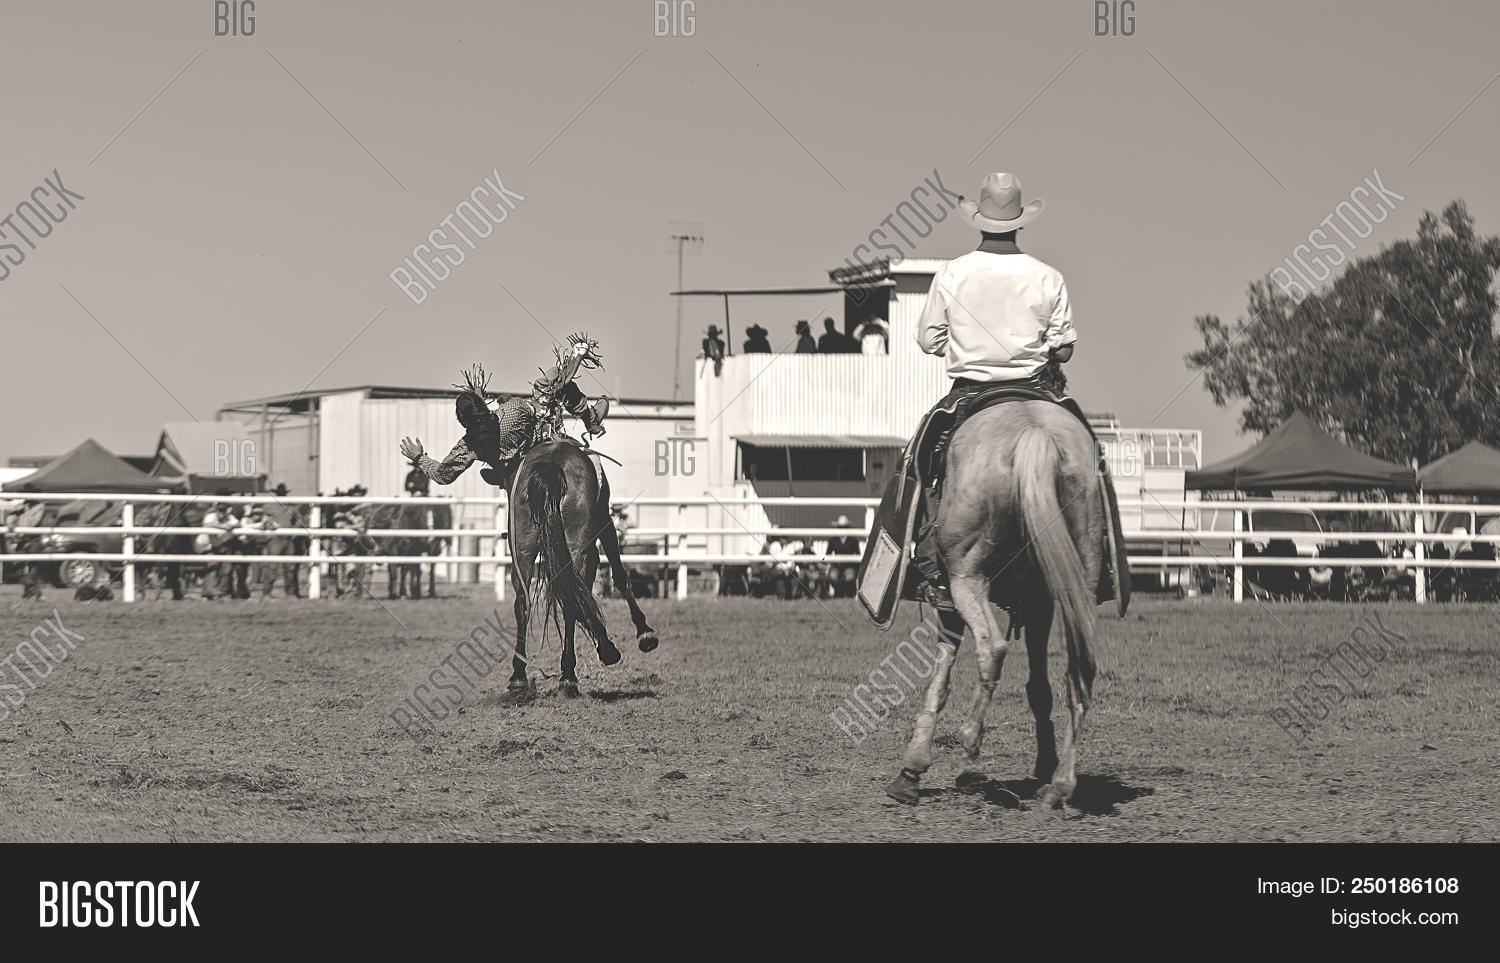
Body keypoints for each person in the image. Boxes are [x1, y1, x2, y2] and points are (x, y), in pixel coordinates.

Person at [401, 333, 609, 491]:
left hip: (507, 464)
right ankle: (591, 418)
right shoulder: (513, 409)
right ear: (483, 408)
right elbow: (542, 404)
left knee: (551, 383)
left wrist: (419, 457)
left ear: (463, 422)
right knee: (550, 379)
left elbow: (442, 476)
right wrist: (571, 365)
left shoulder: (469, 445)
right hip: (538, 442)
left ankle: (501, 476)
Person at [825, 515, 862, 598]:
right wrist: (829, 566)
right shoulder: (833, 539)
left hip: (850, 565)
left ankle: (846, 594)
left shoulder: (853, 539)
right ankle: (839, 594)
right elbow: (828, 554)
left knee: (850, 577)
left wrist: (857, 568)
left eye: (844, 527)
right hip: (837, 565)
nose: (842, 528)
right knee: (833, 576)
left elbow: (858, 554)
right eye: (840, 527)